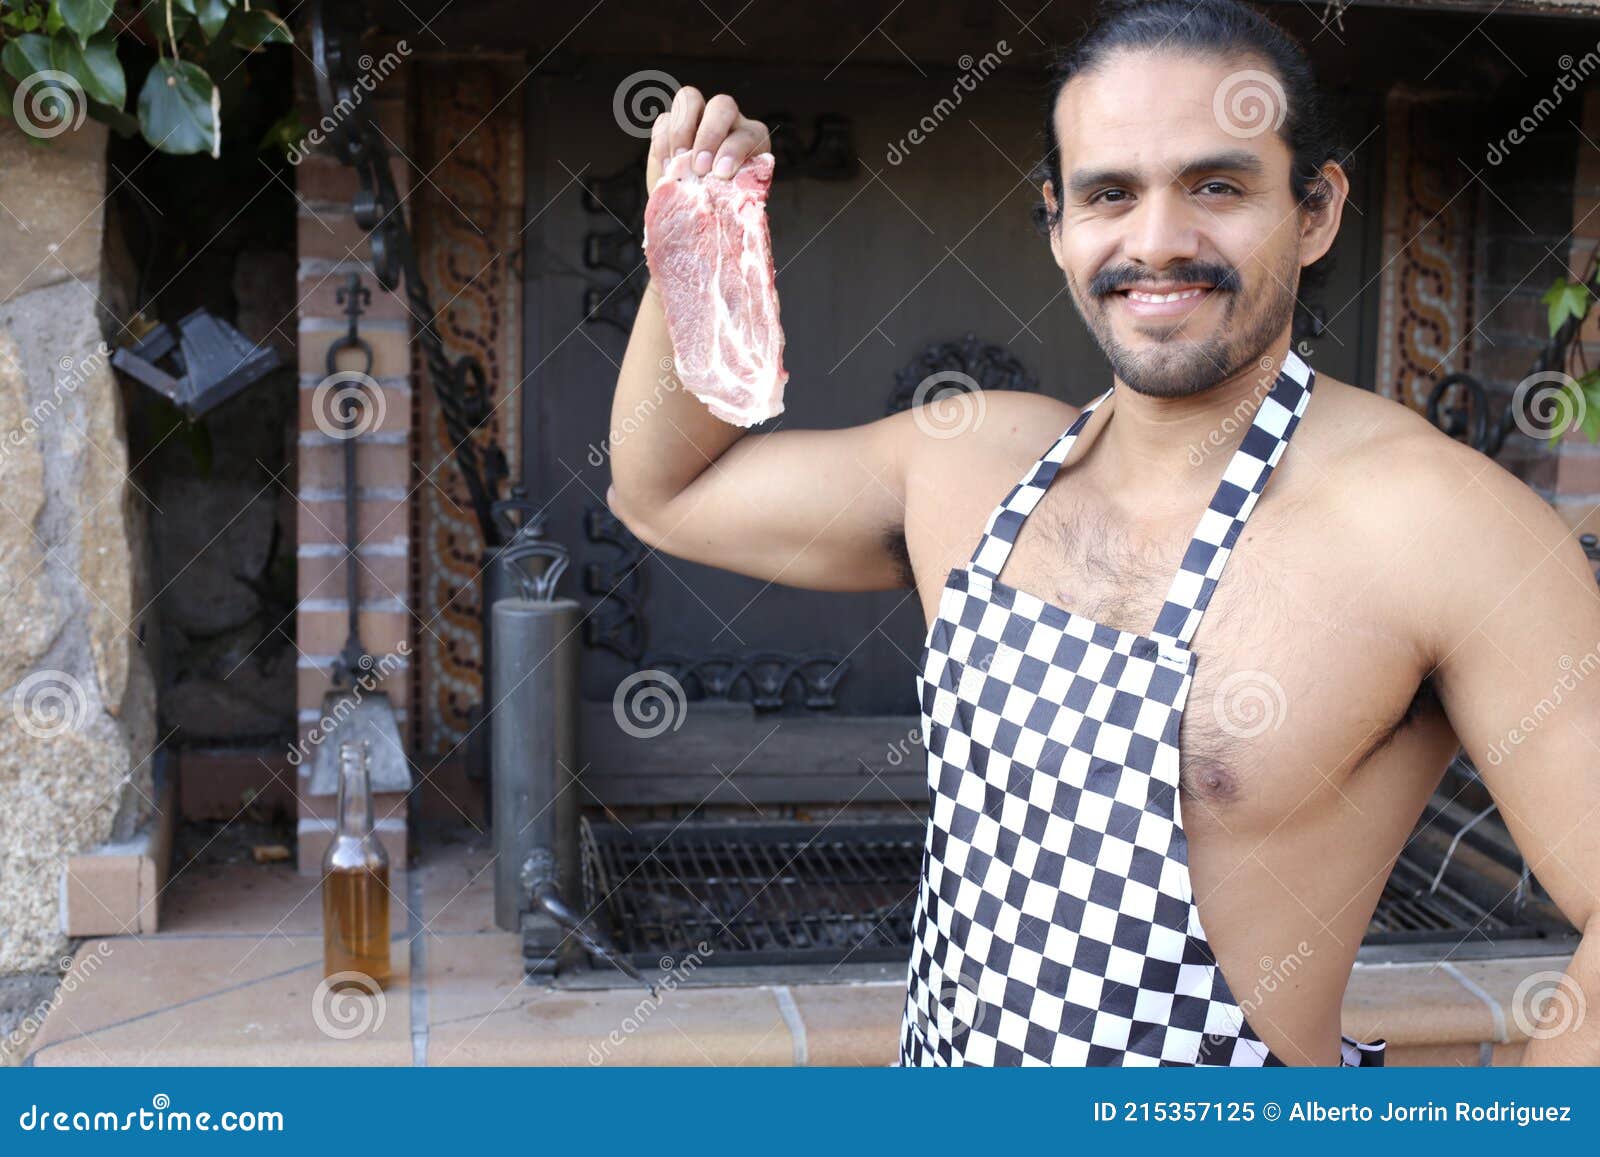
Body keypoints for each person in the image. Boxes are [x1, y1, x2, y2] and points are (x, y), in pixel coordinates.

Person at [605, 0, 1600, 1066]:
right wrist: (701, 240)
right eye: (1110, 194)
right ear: (1056, 224)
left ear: (1314, 212)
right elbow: (664, 494)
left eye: (1216, 186)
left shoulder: (1441, 525)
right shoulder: (962, 461)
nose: (1158, 241)